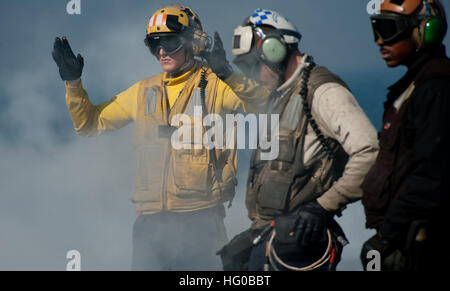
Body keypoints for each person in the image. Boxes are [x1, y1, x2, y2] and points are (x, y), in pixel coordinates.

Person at [51, 4, 267, 270]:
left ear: (195, 42)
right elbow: (89, 125)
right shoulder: (143, 91)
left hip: (201, 224)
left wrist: (228, 75)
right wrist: (73, 83)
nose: (162, 52)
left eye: (170, 42)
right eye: (154, 45)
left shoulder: (218, 85)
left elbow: (266, 105)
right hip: (149, 228)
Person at [202, 9, 379, 271]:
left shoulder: (322, 91)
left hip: (301, 245)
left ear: (275, 50)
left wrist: (322, 208)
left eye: (253, 65)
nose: (252, 74)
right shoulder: (281, 94)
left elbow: (370, 152)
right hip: (275, 237)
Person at [360, 0, 450, 271]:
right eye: (375, 30)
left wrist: (386, 236)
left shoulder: (436, 88)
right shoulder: (415, 86)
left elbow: (431, 175)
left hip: (421, 244)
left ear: (424, 30)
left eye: (388, 30)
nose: (379, 41)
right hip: (404, 238)